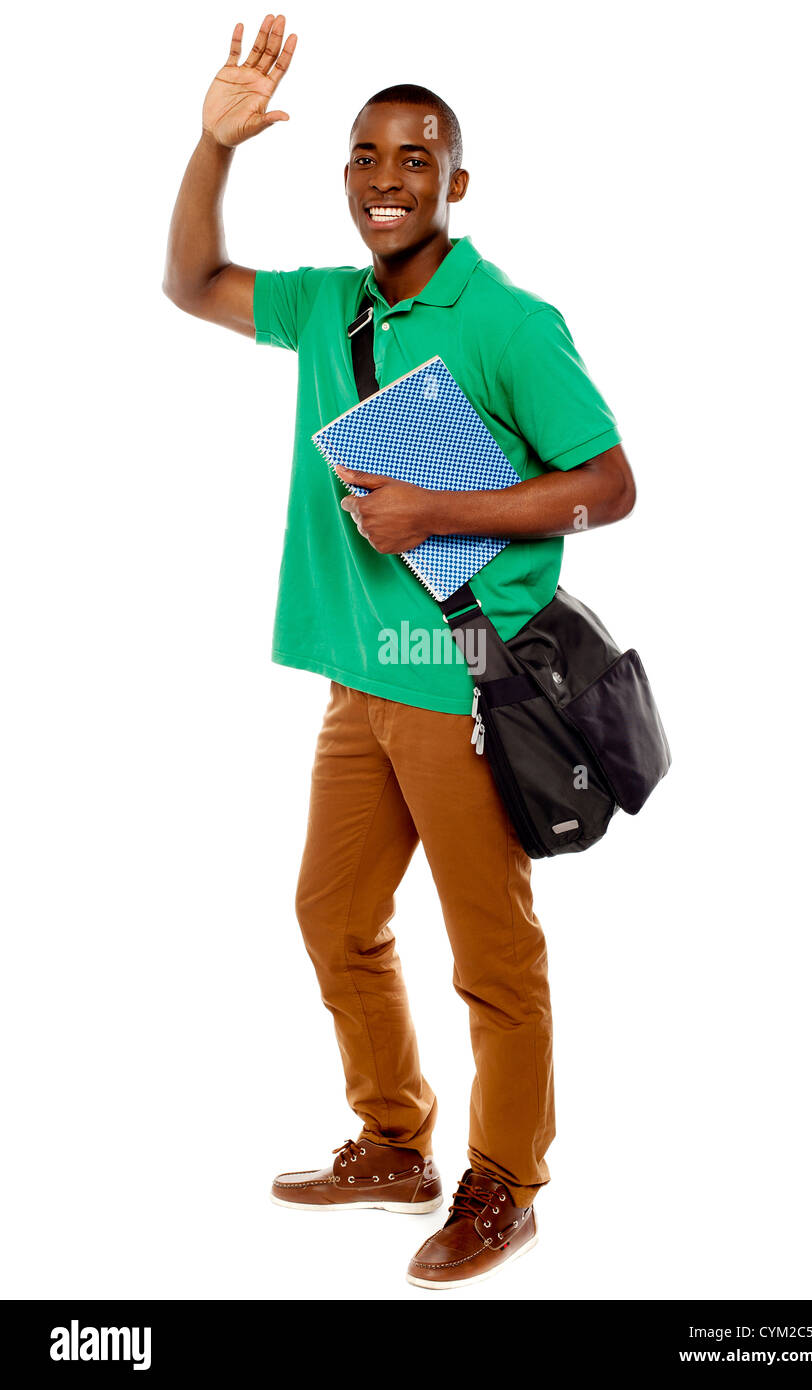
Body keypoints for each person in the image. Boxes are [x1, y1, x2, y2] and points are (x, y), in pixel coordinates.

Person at [163, 13, 636, 1290]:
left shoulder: (511, 323)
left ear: (456, 183)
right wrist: (211, 150)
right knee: (332, 912)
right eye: (366, 157)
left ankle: (507, 1181)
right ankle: (393, 1139)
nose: (386, 177)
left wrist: (440, 512)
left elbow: (611, 485)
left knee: (493, 953)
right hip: (357, 679)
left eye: (414, 158)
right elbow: (191, 283)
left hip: (464, 686)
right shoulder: (329, 308)